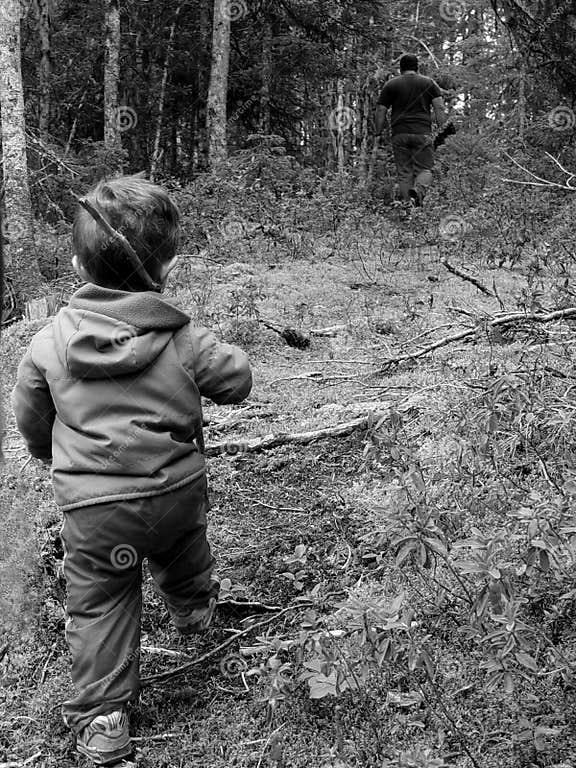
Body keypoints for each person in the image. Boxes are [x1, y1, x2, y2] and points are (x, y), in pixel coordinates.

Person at [11, 176, 253, 765]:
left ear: (76, 262)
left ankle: (104, 721)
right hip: (173, 492)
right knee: (183, 549)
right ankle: (196, 613)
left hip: (94, 513)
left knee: (98, 604)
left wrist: (52, 455)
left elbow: (33, 420)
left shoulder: (48, 344)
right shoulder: (183, 337)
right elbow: (238, 381)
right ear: (167, 266)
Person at [375, 52, 448, 207]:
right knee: (425, 169)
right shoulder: (429, 83)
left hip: (399, 134)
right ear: (417, 67)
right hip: (422, 133)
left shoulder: (391, 85)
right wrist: (443, 129)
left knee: (404, 172)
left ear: (401, 68)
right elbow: (439, 107)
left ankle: (408, 208)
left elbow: (381, 110)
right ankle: (418, 194)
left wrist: (378, 132)